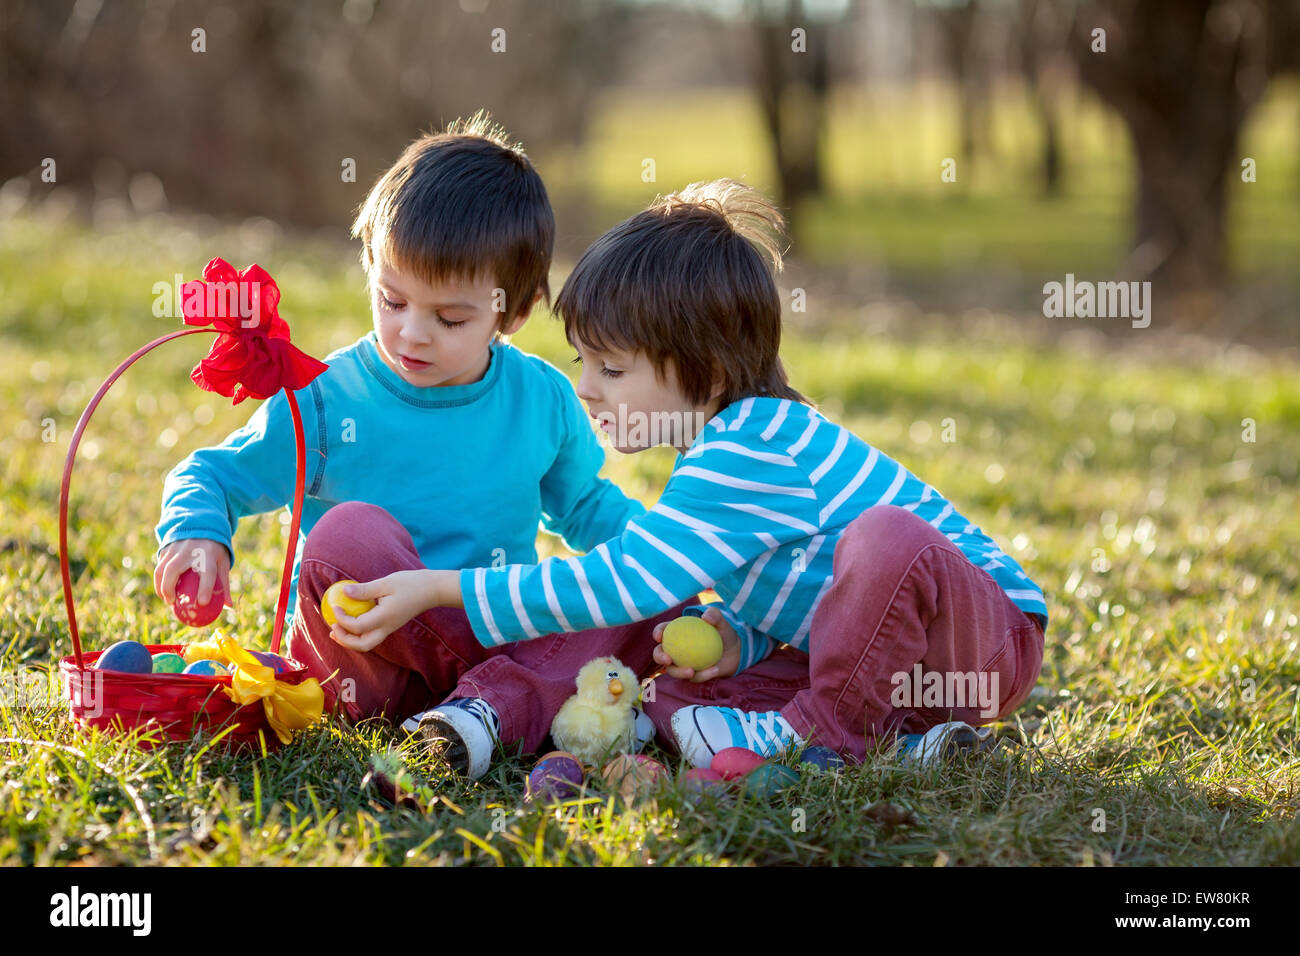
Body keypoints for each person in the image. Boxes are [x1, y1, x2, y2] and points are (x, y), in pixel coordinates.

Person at [330, 178, 1048, 769]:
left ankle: (820, 735)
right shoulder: (713, 449)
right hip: (890, 672)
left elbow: (619, 583)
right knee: (672, 694)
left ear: (703, 372)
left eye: (612, 368)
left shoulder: (755, 445)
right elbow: (802, 590)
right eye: (585, 362)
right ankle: (913, 746)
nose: (587, 388)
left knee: (886, 538)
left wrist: (442, 587)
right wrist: (742, 636)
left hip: (982, 641)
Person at [153, 113, 688, 779]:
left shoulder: (541, 400)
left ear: (512, 315)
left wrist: (671, 565)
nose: (411, 334)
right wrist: (198, 533)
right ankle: (513, 703)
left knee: (643, 588)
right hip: (363, 669)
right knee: (348, 534)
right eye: (392, 300)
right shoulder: (327, 398)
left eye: (450, 318)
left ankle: (486, 709)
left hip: (486, 640)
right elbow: (214, 474)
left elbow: (585, 510)